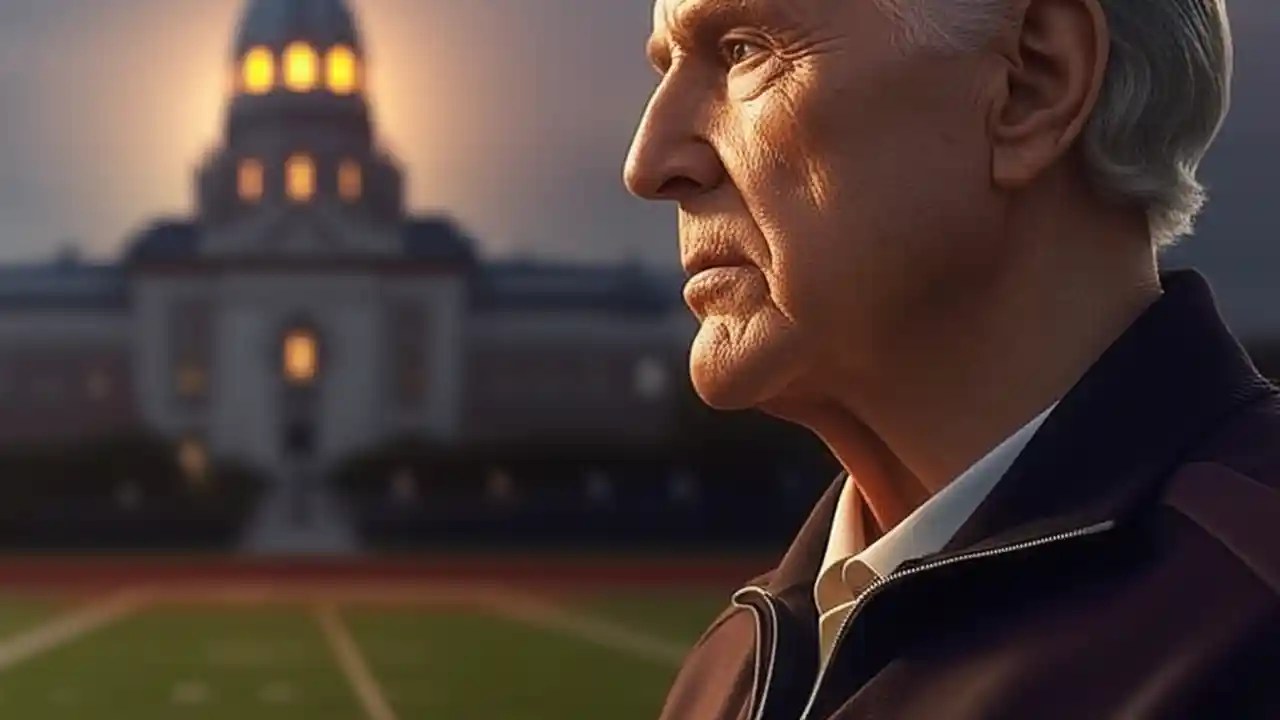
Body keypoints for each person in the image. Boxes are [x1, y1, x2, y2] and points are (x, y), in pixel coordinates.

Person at [623, 0, 1279, 717]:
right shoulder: (733, 666)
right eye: (666, 69)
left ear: (1031, 82)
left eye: (743, 50)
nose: (649, 165)